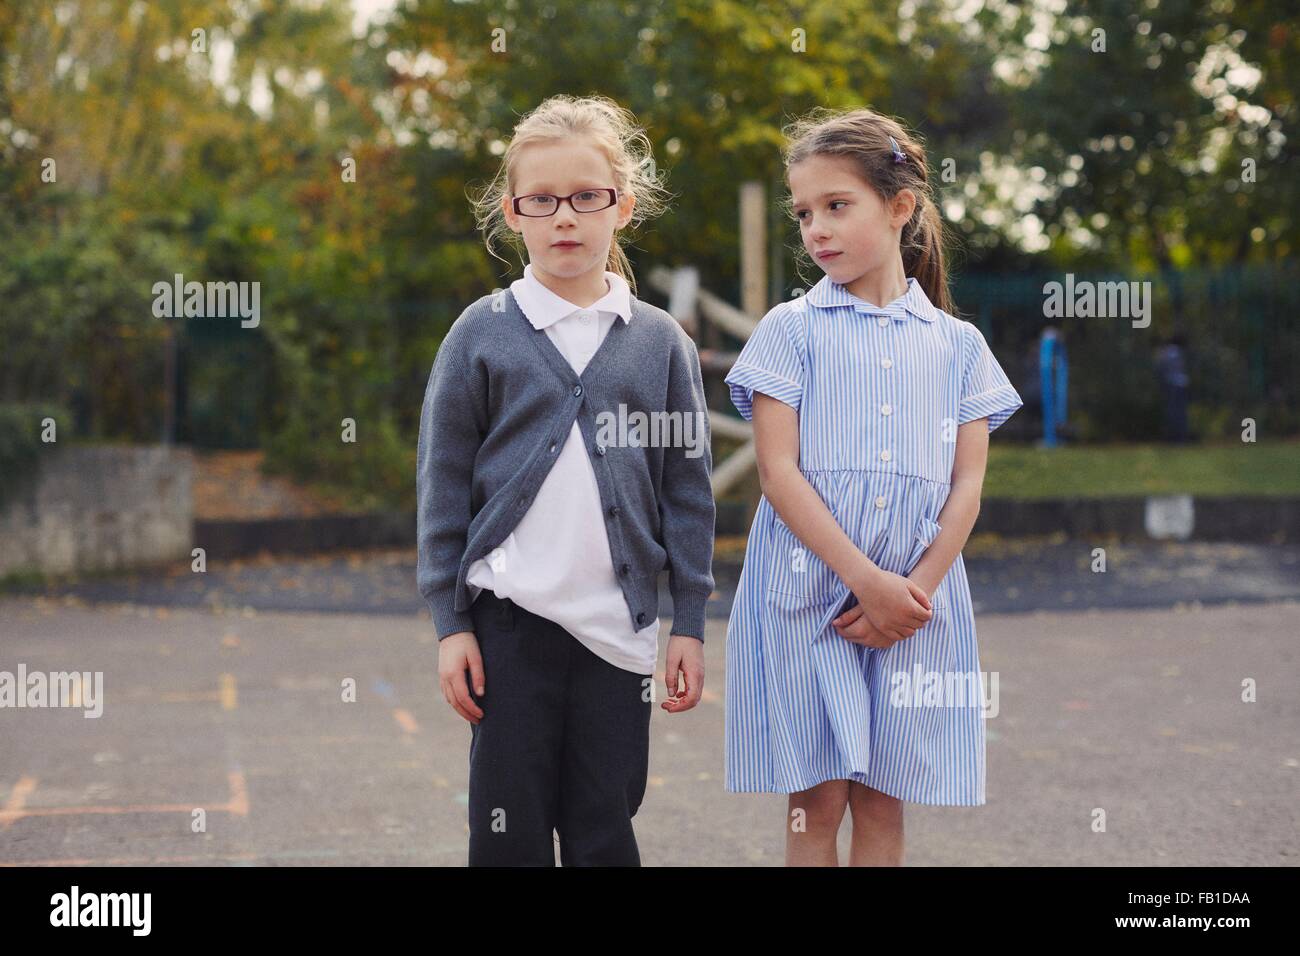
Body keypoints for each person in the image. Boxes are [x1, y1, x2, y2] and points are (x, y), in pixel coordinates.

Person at [416, 95, 715, 866]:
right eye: (541, 201)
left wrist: (687, 619)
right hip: (508, 631)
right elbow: (444, 482)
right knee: (507, 835)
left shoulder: (659, 344)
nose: (565, 219)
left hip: (620, 635)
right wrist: (451, 625)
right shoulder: (481, 332)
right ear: (512, 213)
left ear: (625, 203)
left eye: (587, 197)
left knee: (603, 832)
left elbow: (687, 489)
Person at [723, 108, 1023, 866]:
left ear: (899, 207)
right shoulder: (790, 331)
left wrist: (910, 593)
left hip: (919, 607)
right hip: (809, 594)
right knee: (816, 803)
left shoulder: (959, 347)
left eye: (836, 205)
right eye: (803, 213)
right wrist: (865, 581)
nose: (815, 229)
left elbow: (966, 489)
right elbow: (778, 474)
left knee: (884, 801)